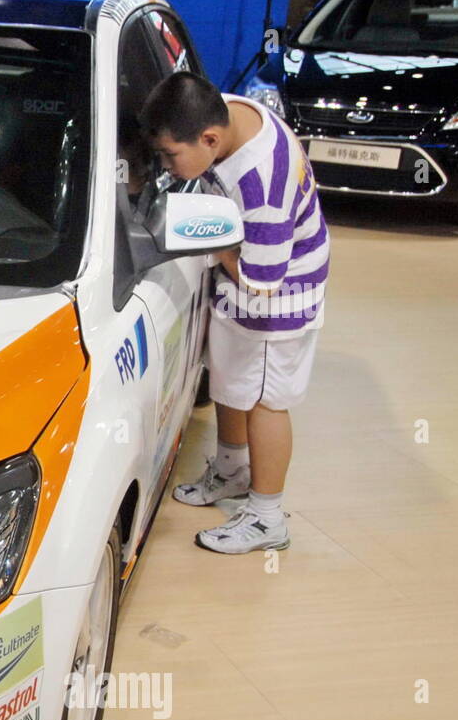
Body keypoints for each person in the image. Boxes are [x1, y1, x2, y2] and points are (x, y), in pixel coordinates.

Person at [140, 71, 328, 555]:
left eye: (170, 156)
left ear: (209, 139)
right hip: (243, 282)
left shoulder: (261, 182)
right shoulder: (225, 111)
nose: (166, 166)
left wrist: (208, 235)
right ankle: (231, 471)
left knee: (266, 399)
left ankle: (268, 517)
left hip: (279, 296)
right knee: (231, 380)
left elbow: (261, 283)